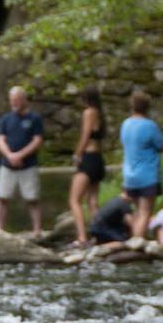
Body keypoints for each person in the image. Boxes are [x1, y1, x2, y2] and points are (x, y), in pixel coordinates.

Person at [0, 85, 45, 236]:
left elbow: (37, 140)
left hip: (28, 165)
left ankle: (37, 229)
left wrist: (20, 155)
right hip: (7, 165)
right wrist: (9, 155)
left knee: (32, 198)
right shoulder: (5, 119)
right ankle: (0, 229)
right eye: (12, 100)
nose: (14, 103)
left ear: (24, 100)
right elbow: (0, 139)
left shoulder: (34, 118)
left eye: (17, 100)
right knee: (2, 197)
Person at [120, 90, 163, 239]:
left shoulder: (125, 124)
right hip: (147, 176)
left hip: (129, 176)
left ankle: (138, 239)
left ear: (132, 106)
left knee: (138, 211)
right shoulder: (149, 126)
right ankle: (137, 242)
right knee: (146, 211)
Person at [68, 96, 107, 246]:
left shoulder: (89, 112)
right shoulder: (100, 114)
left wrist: (77, 154)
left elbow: (85, 136)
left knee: (74, 200)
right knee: (92, 201)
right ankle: (100, 235)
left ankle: (82, 237)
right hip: (98, 159)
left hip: (89, 158)